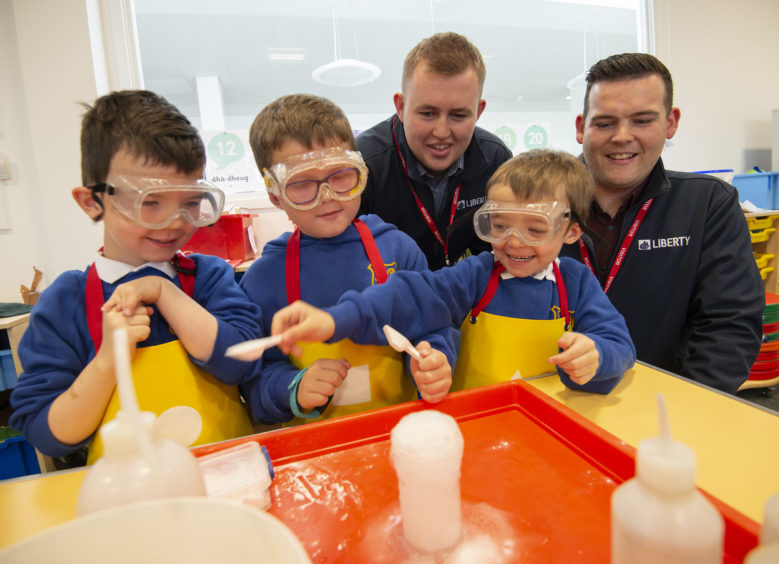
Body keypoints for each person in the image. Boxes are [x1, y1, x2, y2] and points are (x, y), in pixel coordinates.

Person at [10, 90, 261, 464]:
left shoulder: (208, 278)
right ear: (92, 202)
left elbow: (243, 362)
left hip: (226, 475)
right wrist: (107, 361)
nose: (176, 221)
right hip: (128, 497)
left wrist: (165, 292)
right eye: (150, 202)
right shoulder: (65, 303)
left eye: (191, 202)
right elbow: (49, 436)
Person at [271, 149, 636, 395]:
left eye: (535, 229)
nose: (514, 243)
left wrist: (597, 355)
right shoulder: (477, 274)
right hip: (477, 425)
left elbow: (620, 345)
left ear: (571, 231)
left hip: (548, 431)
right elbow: (409, 294)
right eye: (499, 225)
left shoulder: (577, 284)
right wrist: (335, 320)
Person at [239, 94, 453, 425]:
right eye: (302, 183)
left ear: (361, 172)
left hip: (400, 432)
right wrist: (292, 388)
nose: (328, 196)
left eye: (341, 175)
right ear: (274, 195)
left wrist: (436, 358)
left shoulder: (398, 249)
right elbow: (254, 380)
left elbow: (436, 325)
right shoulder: (263, 278)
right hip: (314, 454)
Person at [558, 52, 764, 394]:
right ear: (582, 127)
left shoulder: (708, 204)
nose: (622, 136)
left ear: (671, 122)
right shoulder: (539, 206)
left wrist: (685, 410)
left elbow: (730, 325)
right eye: (605, 122)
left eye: (642, 120)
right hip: (558, 408)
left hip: (668, 412)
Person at [356, 31, 512, 270]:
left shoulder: (495, 161)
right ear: (401, 106)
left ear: (478, 113)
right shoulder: (362, 166)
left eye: (458, 115)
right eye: (427, 113)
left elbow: (498, 253)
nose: (441, 132)